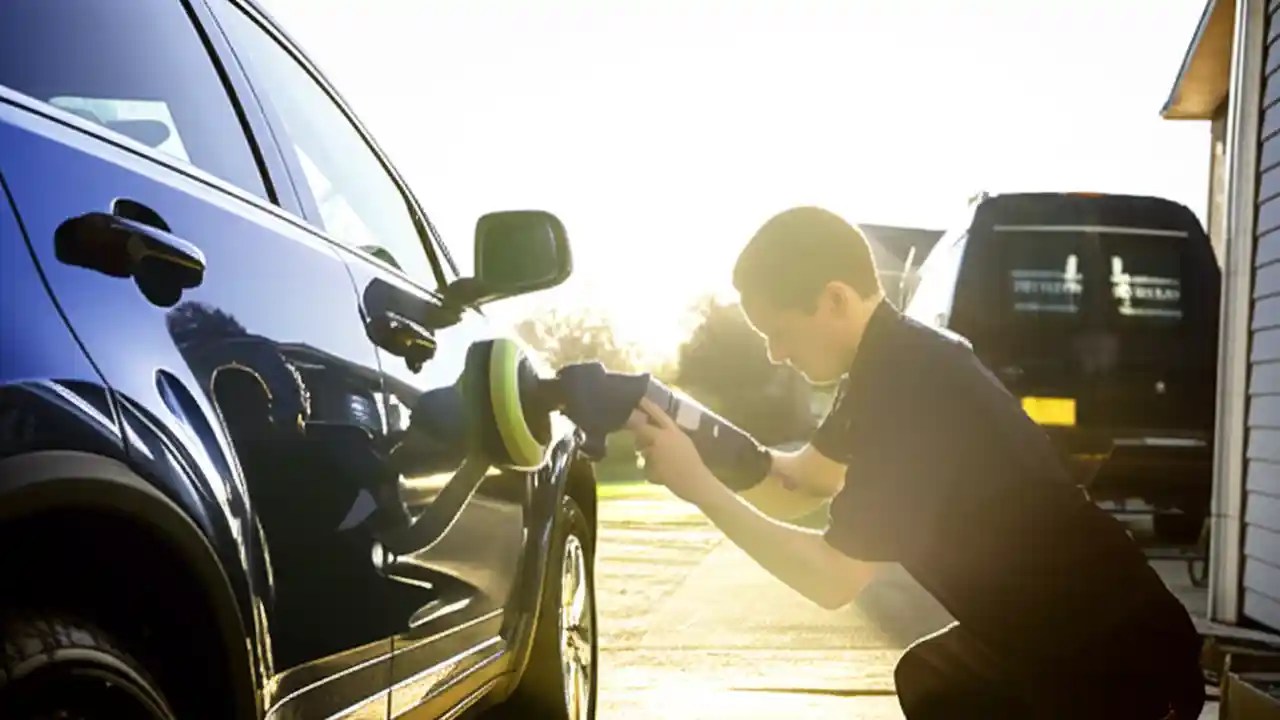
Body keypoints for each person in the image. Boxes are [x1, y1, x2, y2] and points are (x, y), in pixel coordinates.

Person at [624, 206, 1206, 719]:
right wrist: (691, 431)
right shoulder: (889, 360)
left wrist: (698, 486)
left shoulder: (911, 382)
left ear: (834, 299)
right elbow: (799, 482)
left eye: (779, 332)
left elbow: (832, 578)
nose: (776, 355)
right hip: (1054, 643)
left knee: (945, 683)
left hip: (1123, 670)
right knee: (933, 678)